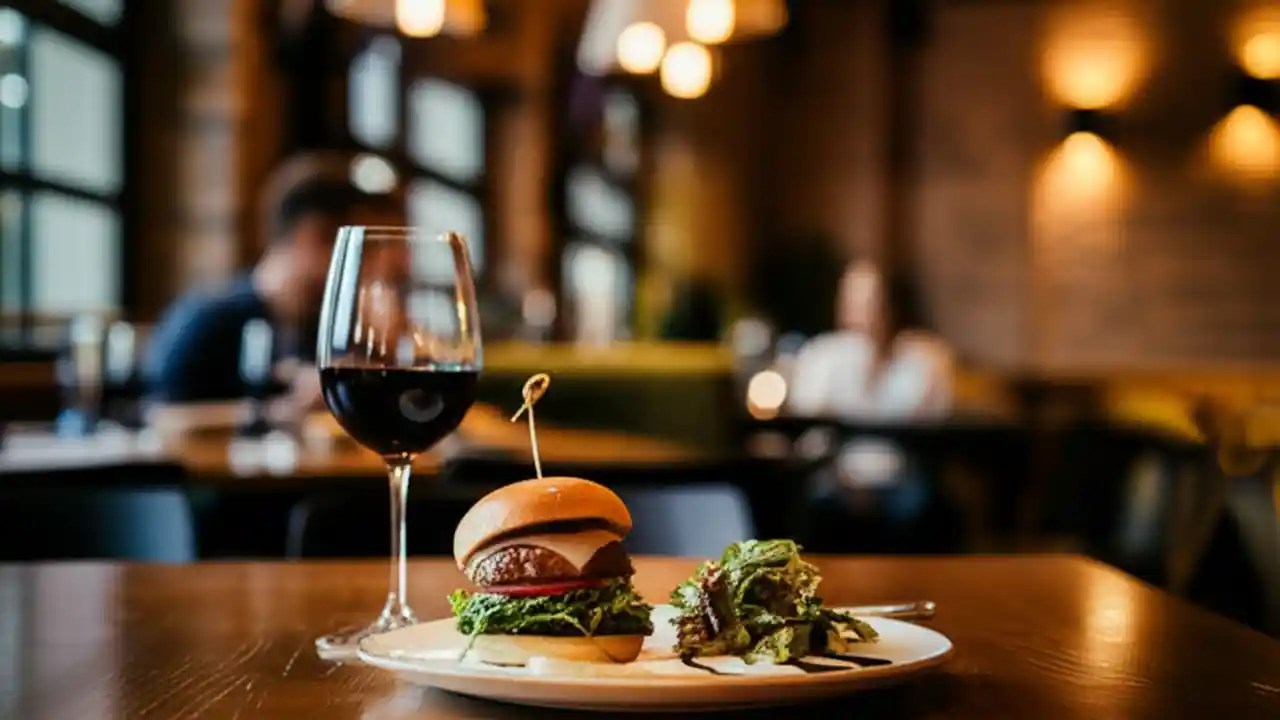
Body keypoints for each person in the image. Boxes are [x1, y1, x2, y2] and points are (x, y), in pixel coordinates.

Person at [143, 153, 402, 404]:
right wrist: (285, 409)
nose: (372, 268)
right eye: (364, 251)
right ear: (312, 234)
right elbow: (163, 421)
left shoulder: (317, 325)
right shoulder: (207, 322)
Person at [787, 260, 952, 420]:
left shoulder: (915, 360)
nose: (866, 314)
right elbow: (807, 419)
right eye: (856, 303)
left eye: (873, 302)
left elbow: (933, 418)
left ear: (890, 308)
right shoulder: (820, 357)